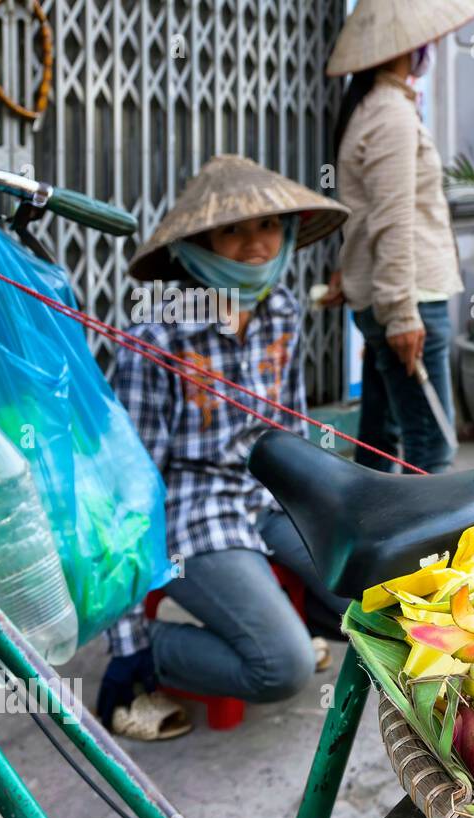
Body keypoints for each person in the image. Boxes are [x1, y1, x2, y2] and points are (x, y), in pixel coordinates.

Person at [99, 156, 352, 740]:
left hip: (266, 494)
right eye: (232, 230)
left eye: (266, 227)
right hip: (191, 506)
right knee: (283, 665)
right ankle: (159, 651)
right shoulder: (157, 334)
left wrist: (336, 506)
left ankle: (289, 611)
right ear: (198, 245)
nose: (254, 244)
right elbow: (130, 487)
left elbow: (289, 433)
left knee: (374, 600)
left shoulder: (283, 309)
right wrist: (127, 642)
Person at [322, 0, 474, 474]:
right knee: (431, 448)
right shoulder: (390, 114)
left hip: (391, 298)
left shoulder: (374, 107)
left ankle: (373, 540)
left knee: (380, 439)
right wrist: (400, 315)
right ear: (409, 47)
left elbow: (367, 212)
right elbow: (392, 219)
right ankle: (430, 545)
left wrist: (352, 276)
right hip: (411, 300)